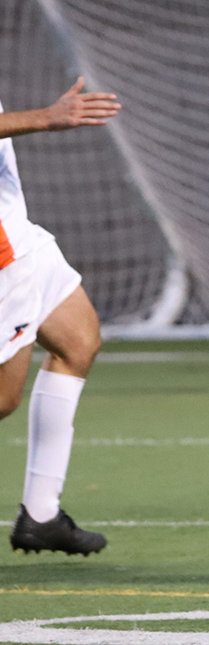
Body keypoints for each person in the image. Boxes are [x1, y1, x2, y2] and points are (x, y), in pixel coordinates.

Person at [0, 77, 120, 555]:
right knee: (3, 400)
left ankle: (42, 514)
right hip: (2, 250)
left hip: (16, 228)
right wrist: (45, 117)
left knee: (78, 342)